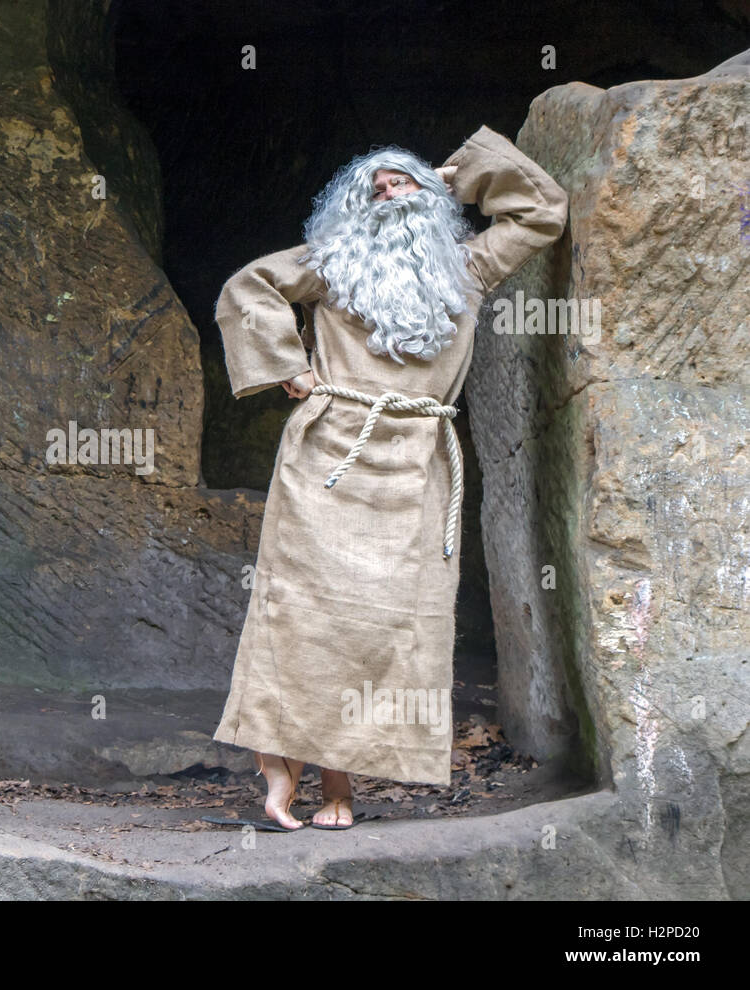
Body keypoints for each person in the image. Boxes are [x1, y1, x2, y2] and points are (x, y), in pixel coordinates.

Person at [212, 126, 569, 830]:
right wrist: (289, 363)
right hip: (330, 457)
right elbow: (249, 285)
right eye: (373, 188)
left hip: (416, 464)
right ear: (351, 207)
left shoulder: (468, 268)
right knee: (309, 614)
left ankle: (340, 786)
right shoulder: (332, 264)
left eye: (400, 183)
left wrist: (461, 173)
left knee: (386, 630)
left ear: (432, 200)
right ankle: (279, 759)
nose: (387, 194)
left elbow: (543, 210)